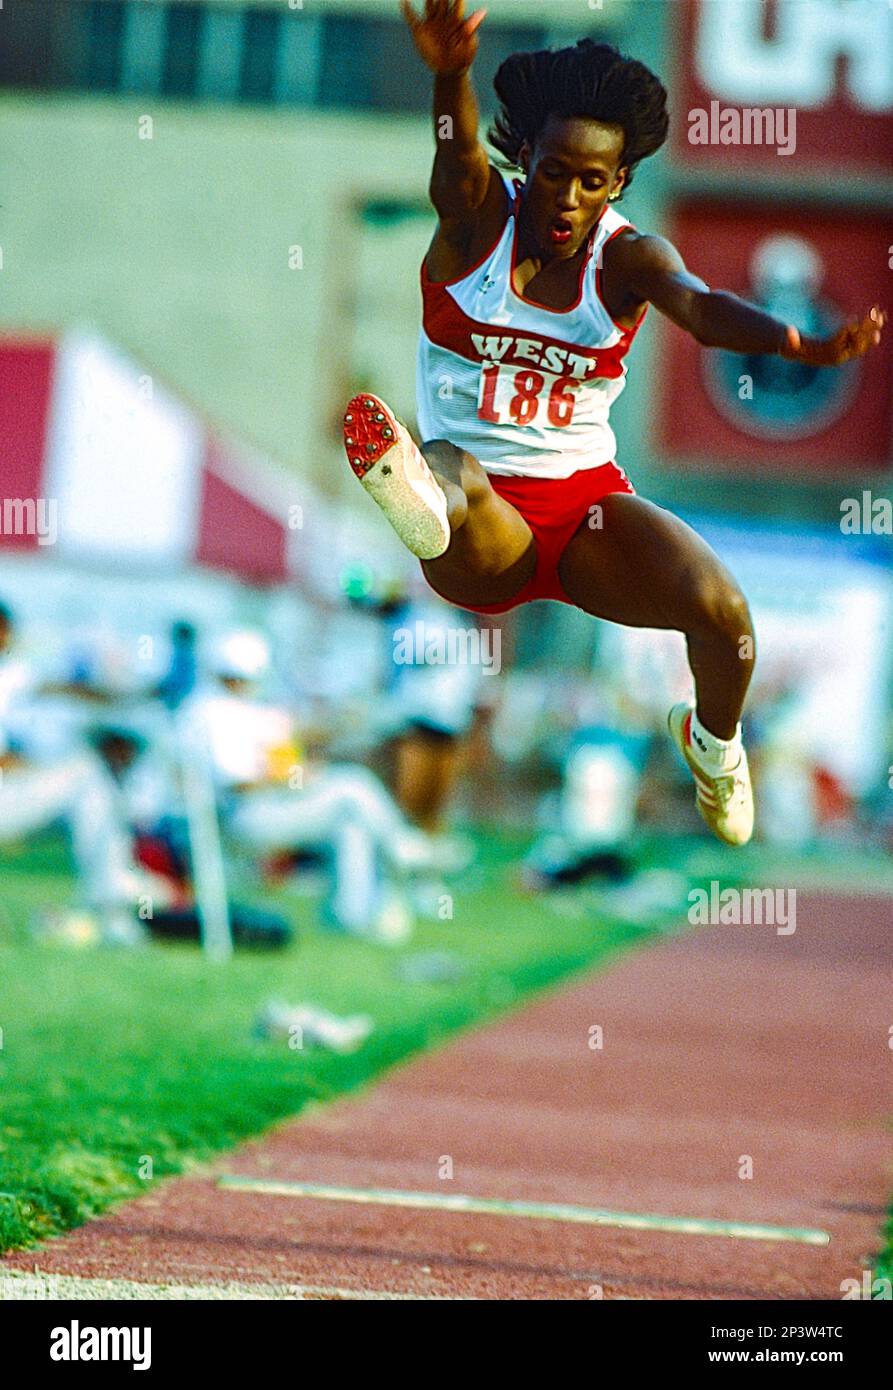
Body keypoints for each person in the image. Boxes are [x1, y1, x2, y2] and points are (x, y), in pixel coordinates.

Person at [342, 5, 886, 847]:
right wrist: (451, 72)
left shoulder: (627, 258)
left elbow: (702, 310)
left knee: (724, 614)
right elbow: (454, 154)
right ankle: (413, 494)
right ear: (525, 156)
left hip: (586, 513)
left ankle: (713, 748)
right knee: (456, 468)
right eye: (554, 172)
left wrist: (796, 342)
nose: (566, 198)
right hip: (483, 532)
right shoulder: (475, 224)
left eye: (591, 181)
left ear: (618, 182)